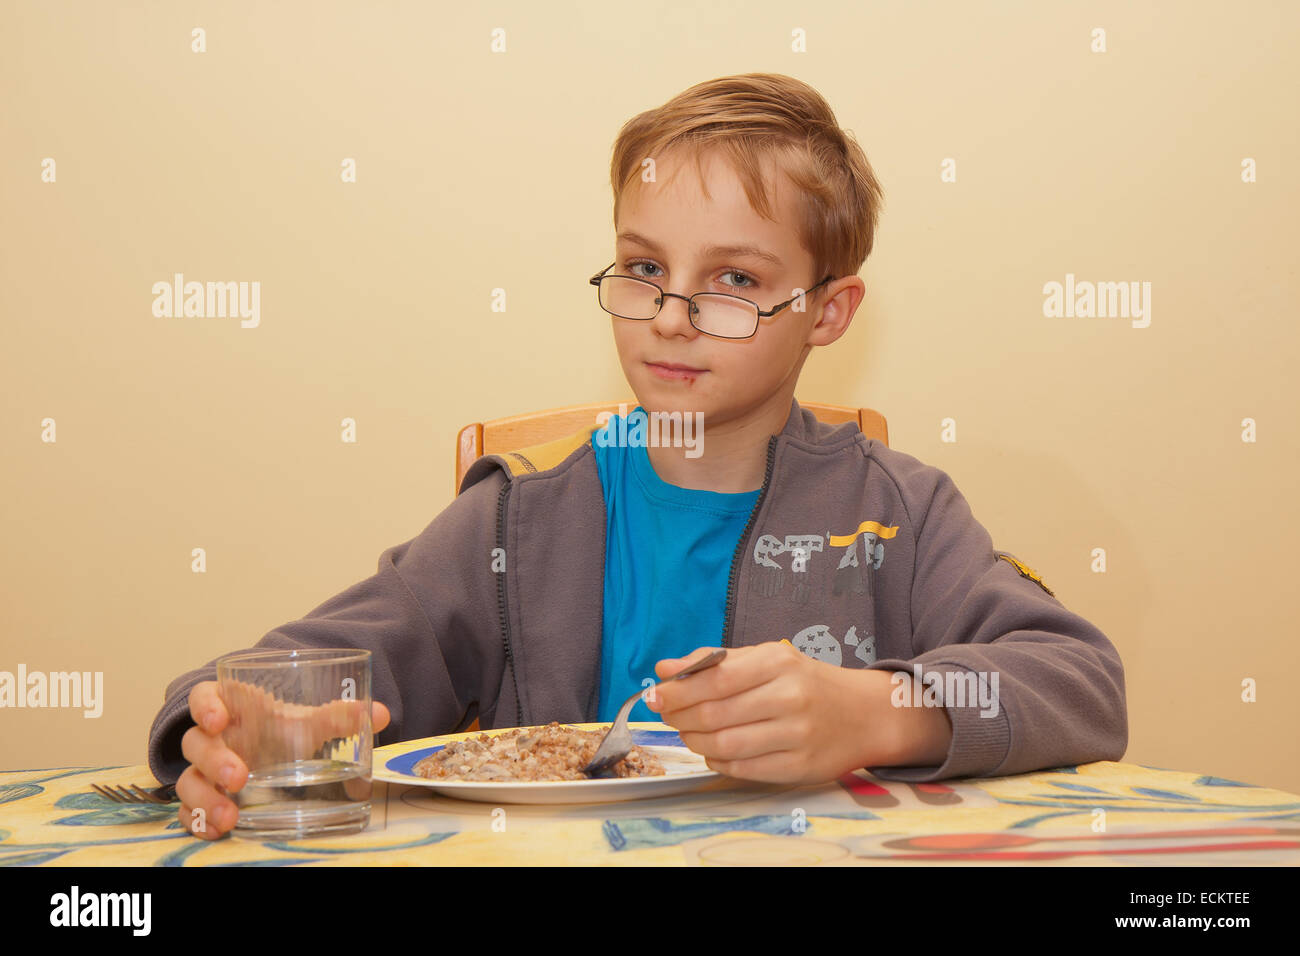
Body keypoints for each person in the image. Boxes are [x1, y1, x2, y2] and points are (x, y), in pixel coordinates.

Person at [149, 73, 1127, 840]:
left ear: (828, 310)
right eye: (646, 268)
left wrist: (883, 710)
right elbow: (304, 671)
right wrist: (228, 725)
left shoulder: (899, 511)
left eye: (732, 279)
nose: (669, 316)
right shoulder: (515, 514)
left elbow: (1078, 678)